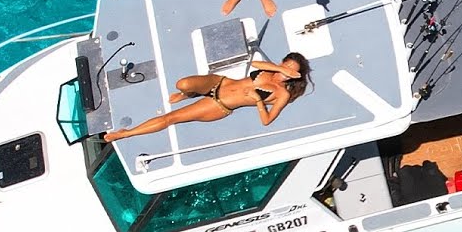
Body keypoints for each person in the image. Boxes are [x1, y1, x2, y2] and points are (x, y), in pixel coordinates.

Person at [104, 53, 312, 142]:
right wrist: (278, 68)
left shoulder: (282, 93)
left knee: (171, 118)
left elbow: (266, 121)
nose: (284, 73)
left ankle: (125, 133)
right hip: (220, 82)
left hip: (218, 105)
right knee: (182, 84)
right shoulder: (269, 70)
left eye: (290, 72)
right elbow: (256, 64)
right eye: (285, 66)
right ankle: (188, 94)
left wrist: (258, 101)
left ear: (296, 76)